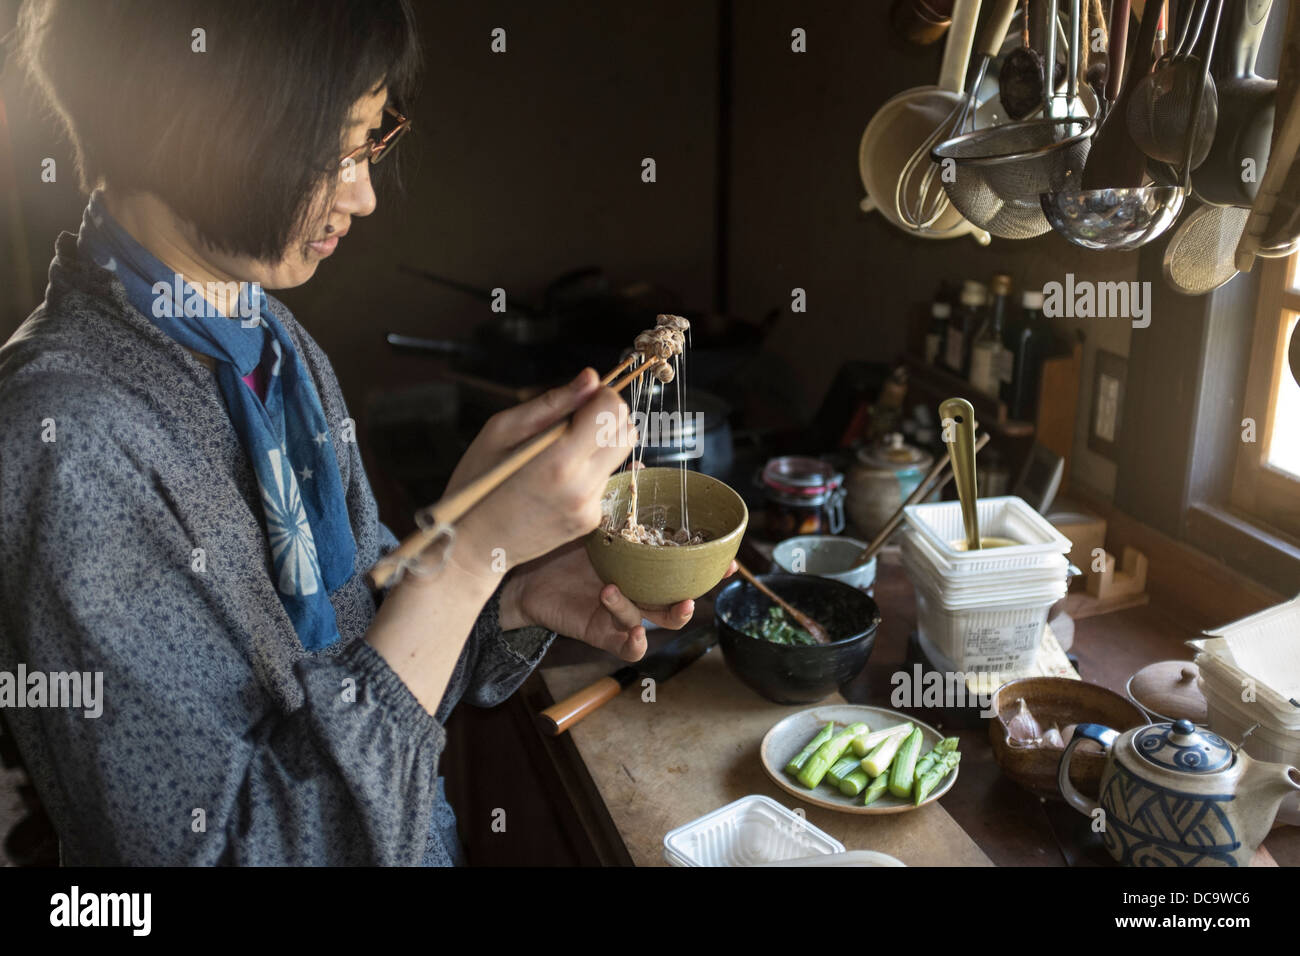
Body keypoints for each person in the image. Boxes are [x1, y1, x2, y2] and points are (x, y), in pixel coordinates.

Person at [0, 0, 722, 865]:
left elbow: (364, 671)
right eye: (337, 150)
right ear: (199, 129)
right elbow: (238, 850)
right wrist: (463, 557)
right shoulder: (69, 441)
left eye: (371, 143)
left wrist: (508, 592)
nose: (365, 194)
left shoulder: (267, 342)